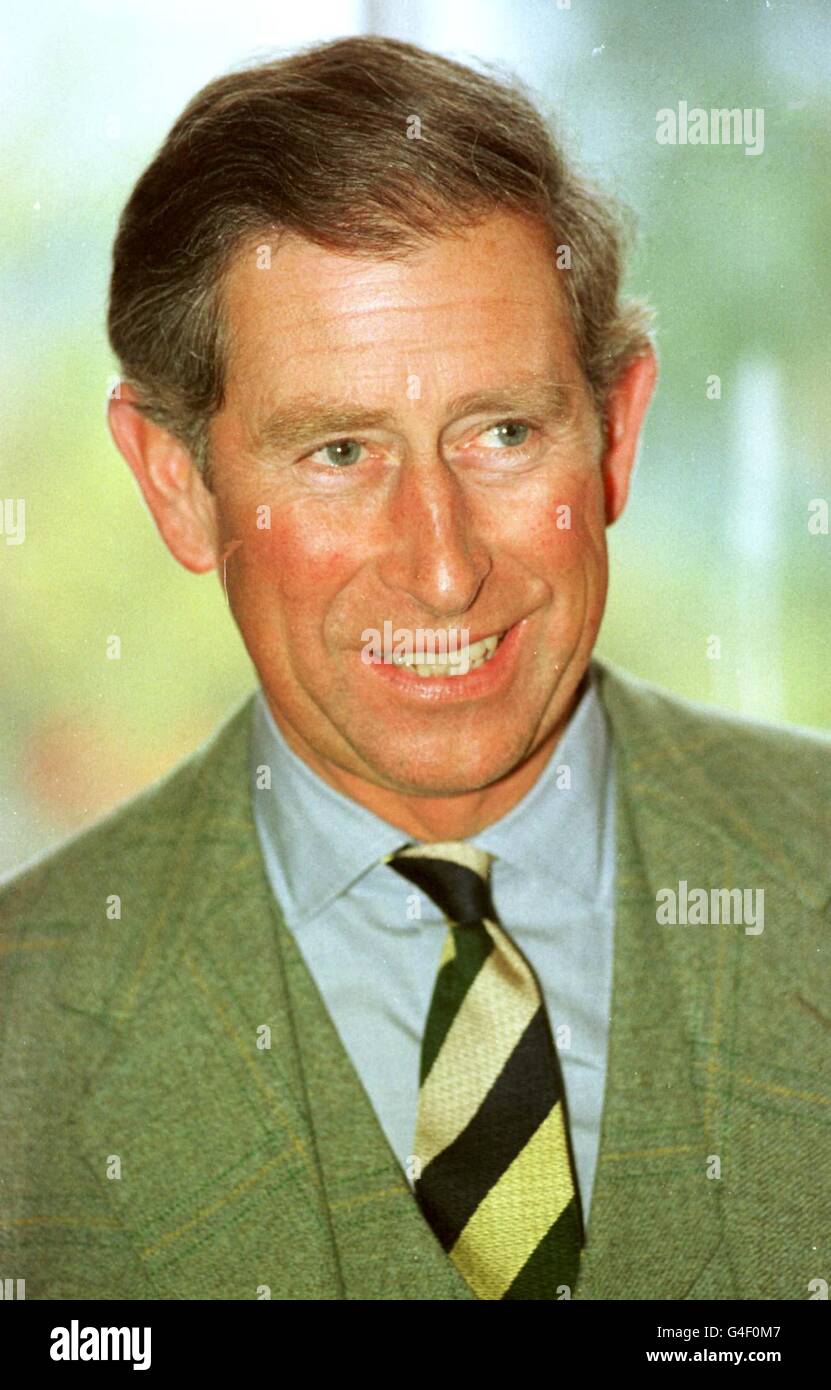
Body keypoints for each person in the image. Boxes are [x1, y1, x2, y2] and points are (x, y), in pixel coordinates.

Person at [1, 35, 828, 1302]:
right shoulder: (27, 1027)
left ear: (616, 433)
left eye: (503, 431)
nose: (441, 569)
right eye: (338, 451)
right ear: (180, 485)